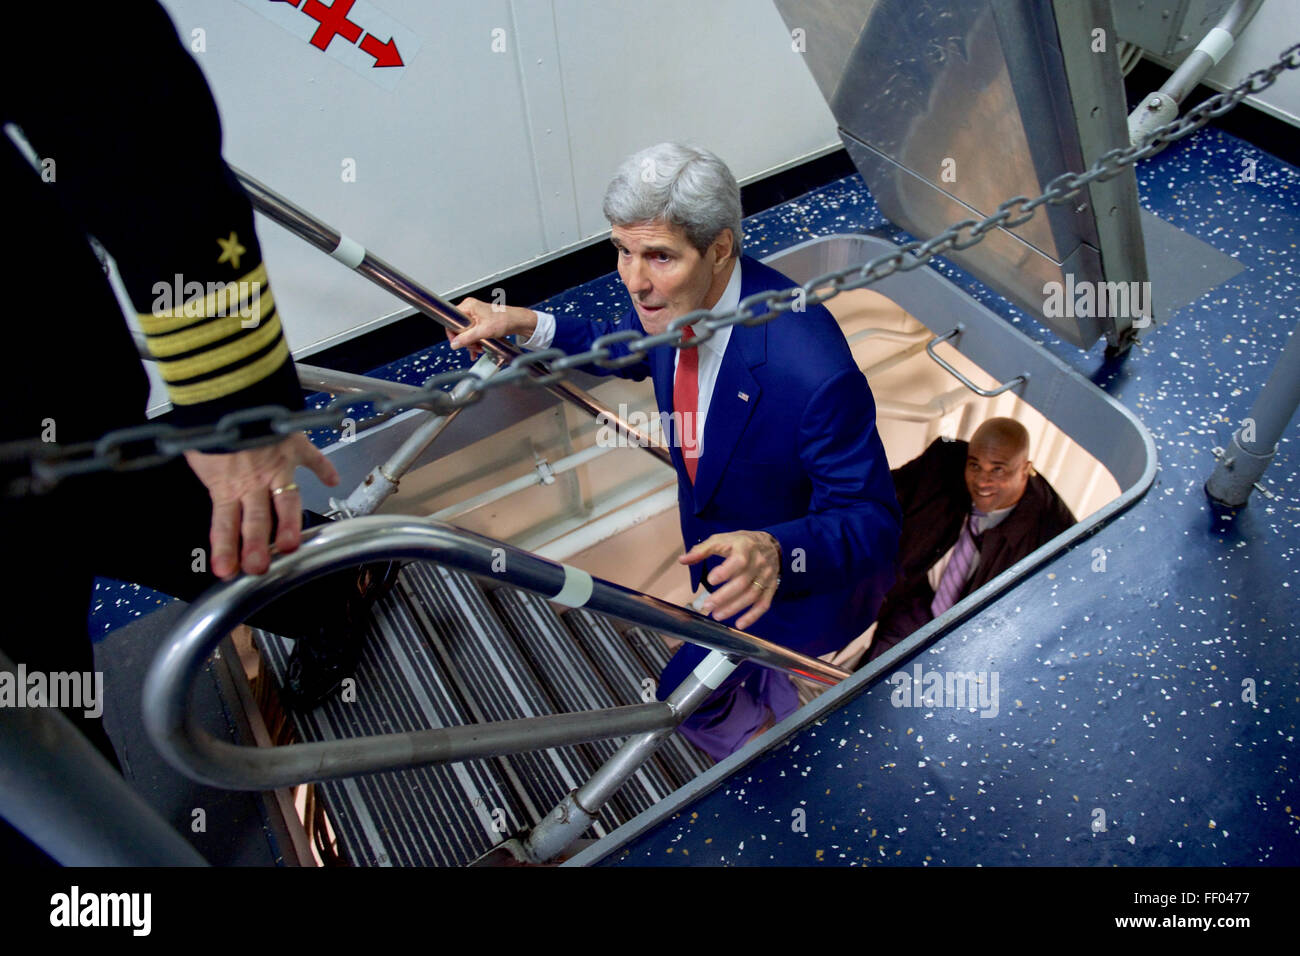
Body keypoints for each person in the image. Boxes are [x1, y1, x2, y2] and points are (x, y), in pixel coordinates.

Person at [0, 0, 389, 797]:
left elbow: (110, 87)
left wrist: (235, 408)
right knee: (111, 511)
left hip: (19, 365)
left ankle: (106, 885)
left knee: (36, 714)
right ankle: (325, 588)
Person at [450, 143, 900, 760]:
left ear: (719, 247)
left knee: (683, 695)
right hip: (718, 554)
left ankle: (770, 752)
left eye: (659, 256)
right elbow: (639, 346)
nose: (635, 280)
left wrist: (774, 551)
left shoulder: (813, 369)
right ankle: (769, 705)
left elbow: (871, 522)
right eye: (623, 251)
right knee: (732, 671)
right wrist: (530, 325)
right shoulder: (682, 298)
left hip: (782, 592)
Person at [862, 418, 1077, 665]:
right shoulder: (943, 459)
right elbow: (878, 495)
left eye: (998, 470)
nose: (982, 481)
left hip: (975, 643)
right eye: (975, 466)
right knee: (868, 685)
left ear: (1025, 469)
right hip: (916, 605)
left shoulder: (1053, 530)